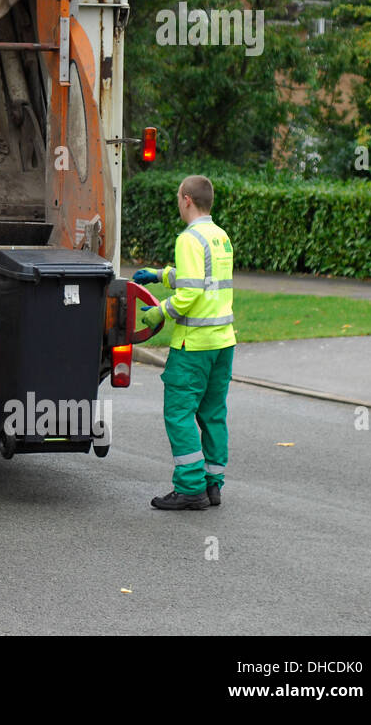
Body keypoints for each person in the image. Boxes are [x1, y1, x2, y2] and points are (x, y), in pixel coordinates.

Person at [132, 174, 235, 511]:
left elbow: (190, 293)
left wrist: (159, 312)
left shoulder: (189, 238)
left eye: (179, 197)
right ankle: (211, 483)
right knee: (213, 414)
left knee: (179, 414)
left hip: (195, 346)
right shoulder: (220, 237)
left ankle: (190, 488)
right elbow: (203, 279)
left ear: (187, 199)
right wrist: (161, 275)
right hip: (223, 343)